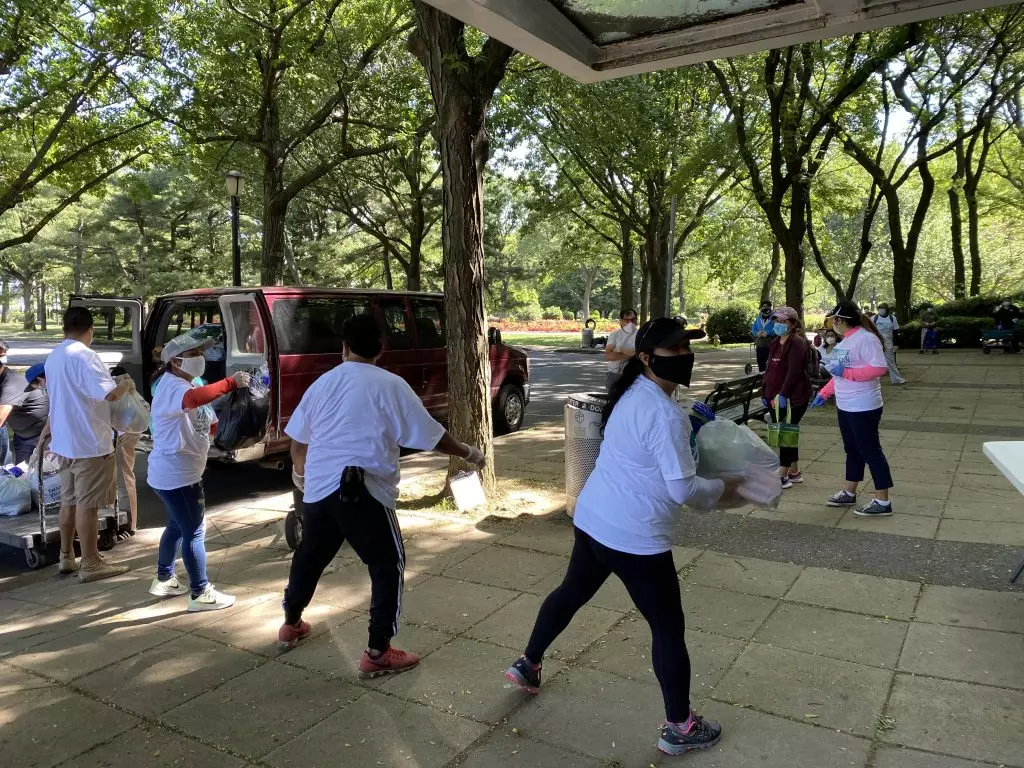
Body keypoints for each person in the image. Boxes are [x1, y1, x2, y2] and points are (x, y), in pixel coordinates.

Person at [505, 318, 730, 757]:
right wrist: (729, 489)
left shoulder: (633, 392)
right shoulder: (663, 413)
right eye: (674, 349)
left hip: (594, 520)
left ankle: (527, 664)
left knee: (571, 592)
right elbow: (684, 489)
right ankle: (680, 726)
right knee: (667, 625)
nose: (685, 356)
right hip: (634, 537)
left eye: (687, 346)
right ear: (645, 357)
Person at [278, 313, 486, 677]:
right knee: (388, 564)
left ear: (344, 347)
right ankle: (377, 651)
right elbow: (433, 436)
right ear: (382, 348)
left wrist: (301, 478)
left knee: (310, 557)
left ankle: (291, 622)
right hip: (364, 490)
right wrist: (469, 452)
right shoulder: (391, 384)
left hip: (319, 488)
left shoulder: (323, 383)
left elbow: (299, 442)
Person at [147, 331, 250, 610]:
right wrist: (230, 382)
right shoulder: (172, 387)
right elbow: (193, 400)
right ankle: (200, 592)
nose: (200, 359)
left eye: (200, 353)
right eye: (193, 355)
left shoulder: (191, 382)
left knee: (176, 526)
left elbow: (208, 421)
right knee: (194, 531)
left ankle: (164, 579)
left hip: (178, 472)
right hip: (176, 474)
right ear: (176, 362)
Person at [45, 307, 134, 581]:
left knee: (69, 502)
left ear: (64, 329)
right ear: (90, 330)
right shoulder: (85, 356)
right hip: (89, 443)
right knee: (89, 505)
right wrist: (126, 385)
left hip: (65, 442)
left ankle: (66, 557)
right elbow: (109, 395)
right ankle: (91, 563)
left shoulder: (54, 356)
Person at [811, 301, 895, 518]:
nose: (831, 324)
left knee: (870, 451)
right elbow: (837, 373)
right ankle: (850, 491)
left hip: (864, 405)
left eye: (833, 320)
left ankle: (882, 501)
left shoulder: (866, 339)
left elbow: (879, 368)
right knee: (852, 449)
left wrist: (848, 373)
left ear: (840, 320)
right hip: (846, 405)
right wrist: (824, 393)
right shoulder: (844, 342)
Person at [760, 307, 812, 489]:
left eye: (783, 322)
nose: (779, 324)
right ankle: (794, 472)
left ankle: (782, 474)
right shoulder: (775, 343)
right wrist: (764, 391)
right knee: (788, 432)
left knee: (785, 433)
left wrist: (783, 394)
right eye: (777, 321)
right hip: (773, 396)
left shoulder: (797, 343)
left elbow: (794, 371)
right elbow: (769, 369)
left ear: (792, 324)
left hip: (793, 397)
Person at [109, 366, 140, 541]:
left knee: (123, 479)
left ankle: (128, 524)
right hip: (124, 435)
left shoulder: (121, 389)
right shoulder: (128, 387)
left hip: (121, 436)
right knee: (120, 479)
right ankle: (123, 521)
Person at [9, 363, 49, 464]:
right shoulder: (18, 389)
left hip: (44, 437)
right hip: (23, 438)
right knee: (21, 471)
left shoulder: (58, 390)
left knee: (47, 470)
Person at [604, 309, 638, 392]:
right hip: (615, 374)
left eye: (633, 320)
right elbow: (608, 355)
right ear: (621, 321)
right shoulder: (615, 335)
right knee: (613, 400)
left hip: (633, 375)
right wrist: (629, 354)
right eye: (627, 320)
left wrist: (619, 352)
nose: (630, 323)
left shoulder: (641, 335)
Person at [871, 304, 905, 385]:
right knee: (875, 361)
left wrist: (896, 344)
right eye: (879, 309)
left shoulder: (892, 318)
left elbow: (896, 331)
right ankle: (873, 379)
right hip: (876, 342)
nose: (881, 310)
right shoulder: (874, 318)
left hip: (888, 342)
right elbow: (870, 330)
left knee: (891, 361)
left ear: (887, 309)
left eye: (883, 309)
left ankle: (896, 379)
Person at [750, 301, 776, 372]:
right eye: (764, 307)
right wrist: (757, 333)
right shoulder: (759, 317)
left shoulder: (774, 317)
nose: (766, 308)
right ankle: (762, 378)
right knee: (760, 362)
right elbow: (754, 327)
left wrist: (768, 333)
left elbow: (776, 328)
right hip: (760, 344)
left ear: (770, 307)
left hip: (771, 344)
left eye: (768, 306)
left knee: (772, 363)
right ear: (761, 308)